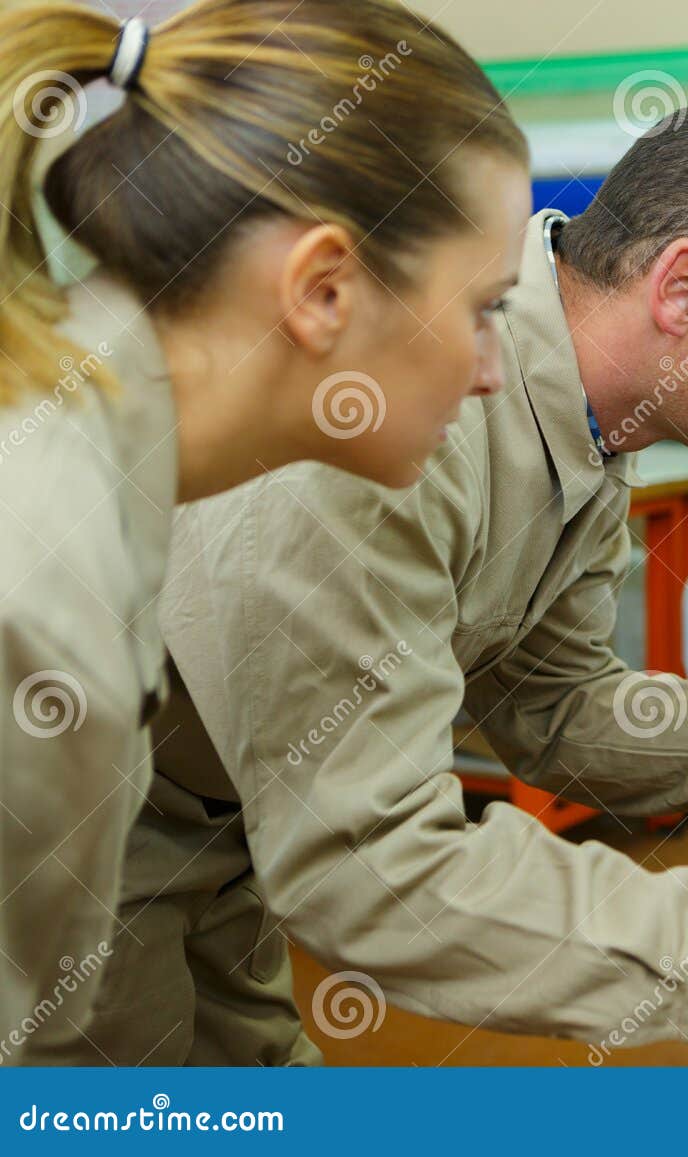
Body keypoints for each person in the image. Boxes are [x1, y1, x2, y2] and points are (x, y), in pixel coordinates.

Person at [66, 101, 688, 1065]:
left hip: (213, 830)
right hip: (79, 830)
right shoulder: (407, 418)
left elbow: (550, 705)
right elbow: (371, 866)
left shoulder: (590, 422)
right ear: (684, 289)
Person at [0, 0, 532, 1063]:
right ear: (324, 289)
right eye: (484, 307)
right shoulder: (45, 596)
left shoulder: (98, 464)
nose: (486, 371)